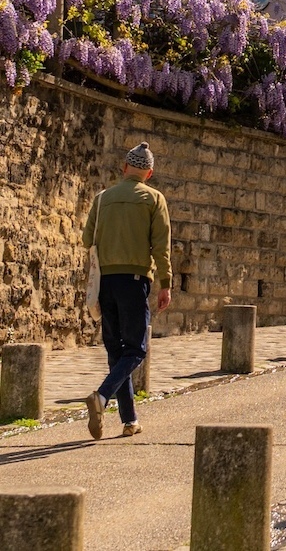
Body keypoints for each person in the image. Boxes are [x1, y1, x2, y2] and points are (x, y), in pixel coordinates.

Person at [81, 142, 172, 440]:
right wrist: (166, 284)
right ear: (149, 173)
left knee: (116, 350)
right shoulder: (154, 199)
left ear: (124, 168)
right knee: (136, 349)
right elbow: (161, 246)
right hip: (134, 280)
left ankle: (129, 419)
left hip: (105, 280)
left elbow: (86, 239)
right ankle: (103, 396)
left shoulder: (103, 197)